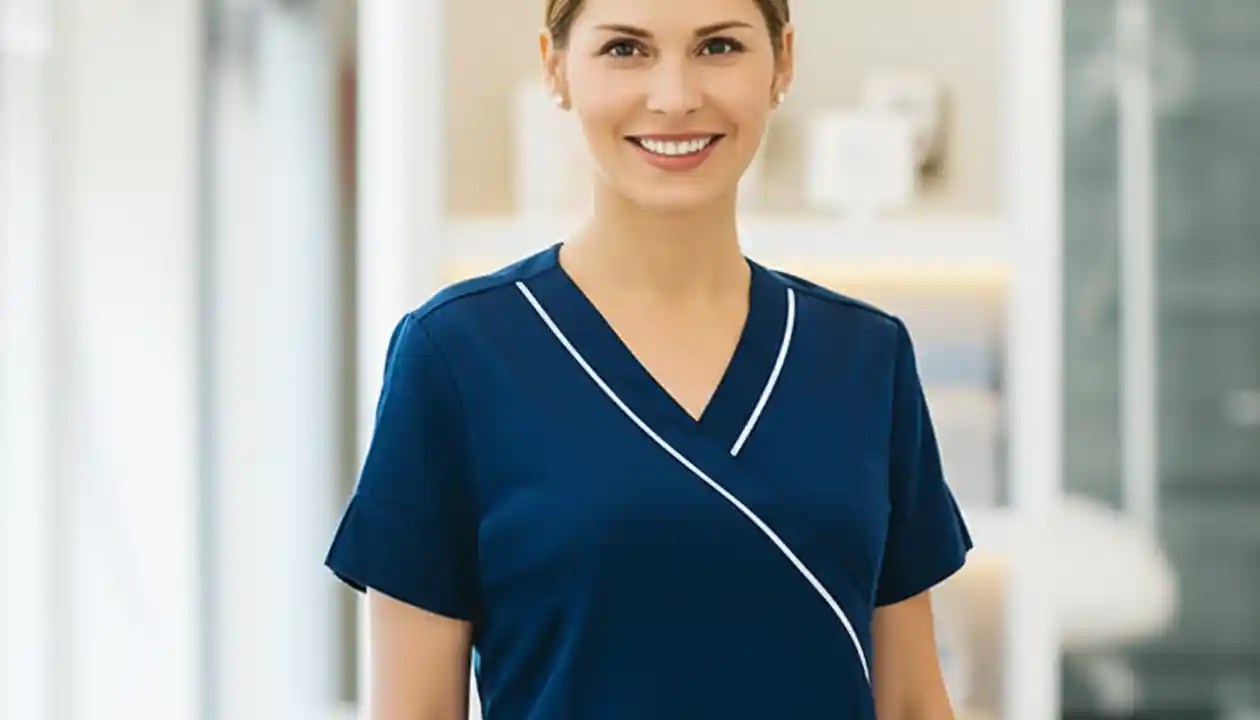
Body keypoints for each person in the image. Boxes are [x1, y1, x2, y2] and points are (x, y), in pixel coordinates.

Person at [324, 0, 974, 717]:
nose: (674, 97)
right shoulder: (456, 357)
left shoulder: (865, 359)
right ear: (555, 65)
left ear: (782, 62)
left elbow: (913, 699)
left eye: (718, 47)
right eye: (626, 51)